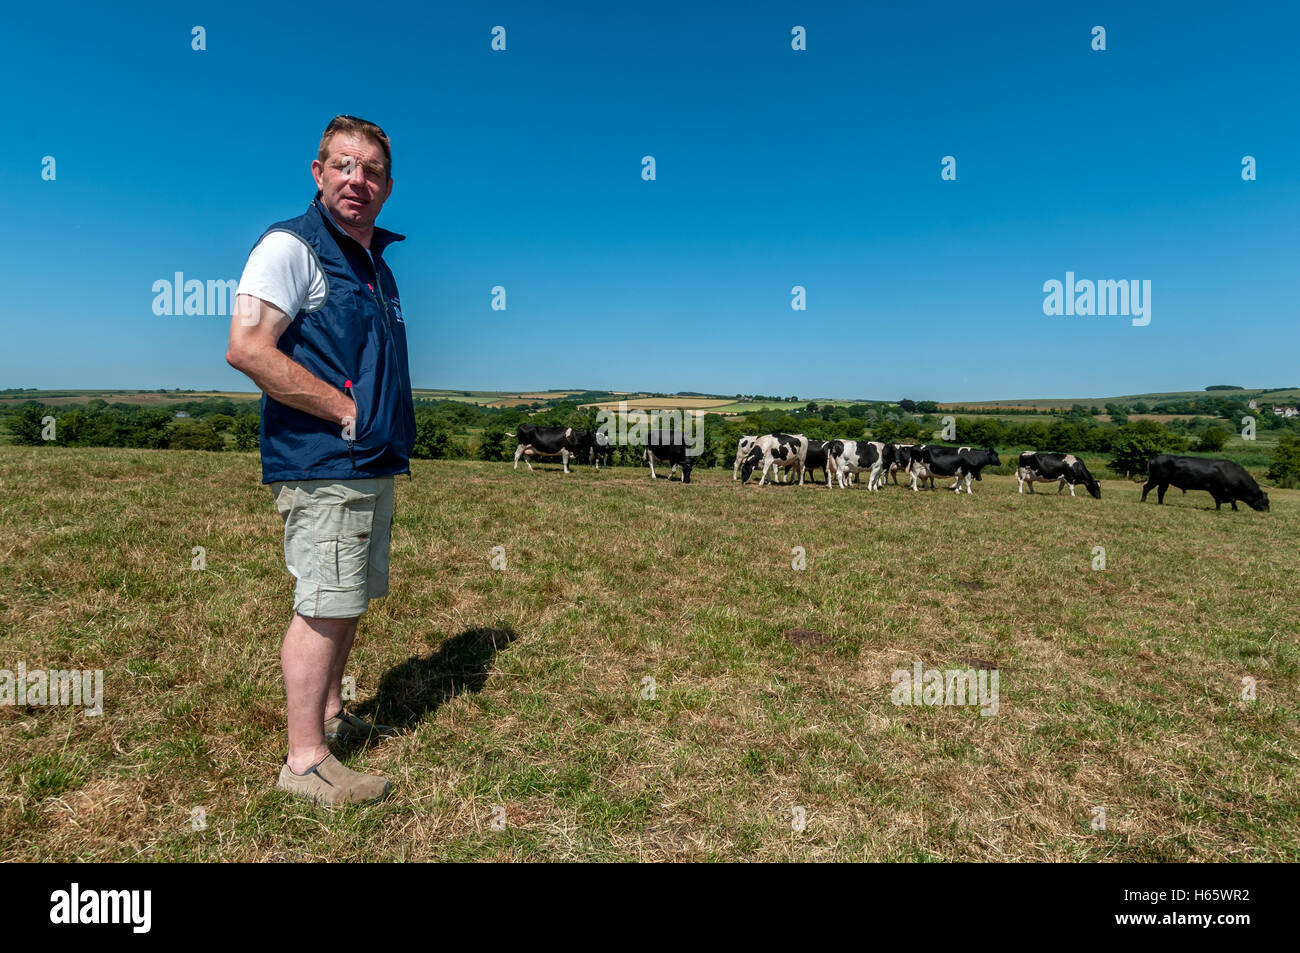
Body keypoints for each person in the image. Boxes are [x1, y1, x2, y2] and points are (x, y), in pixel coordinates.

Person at [226, 115, 415, 806]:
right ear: (318, 172)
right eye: (342, 165)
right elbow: (248, 345)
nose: (356, 180)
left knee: (348, 598)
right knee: (321, 604)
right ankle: (304, 762)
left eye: (370, 171)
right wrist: (343, 412)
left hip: (369, 462)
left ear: (387, 187)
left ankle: (331, 715)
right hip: (322, 461)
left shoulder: (375, 265)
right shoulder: (291, 246)